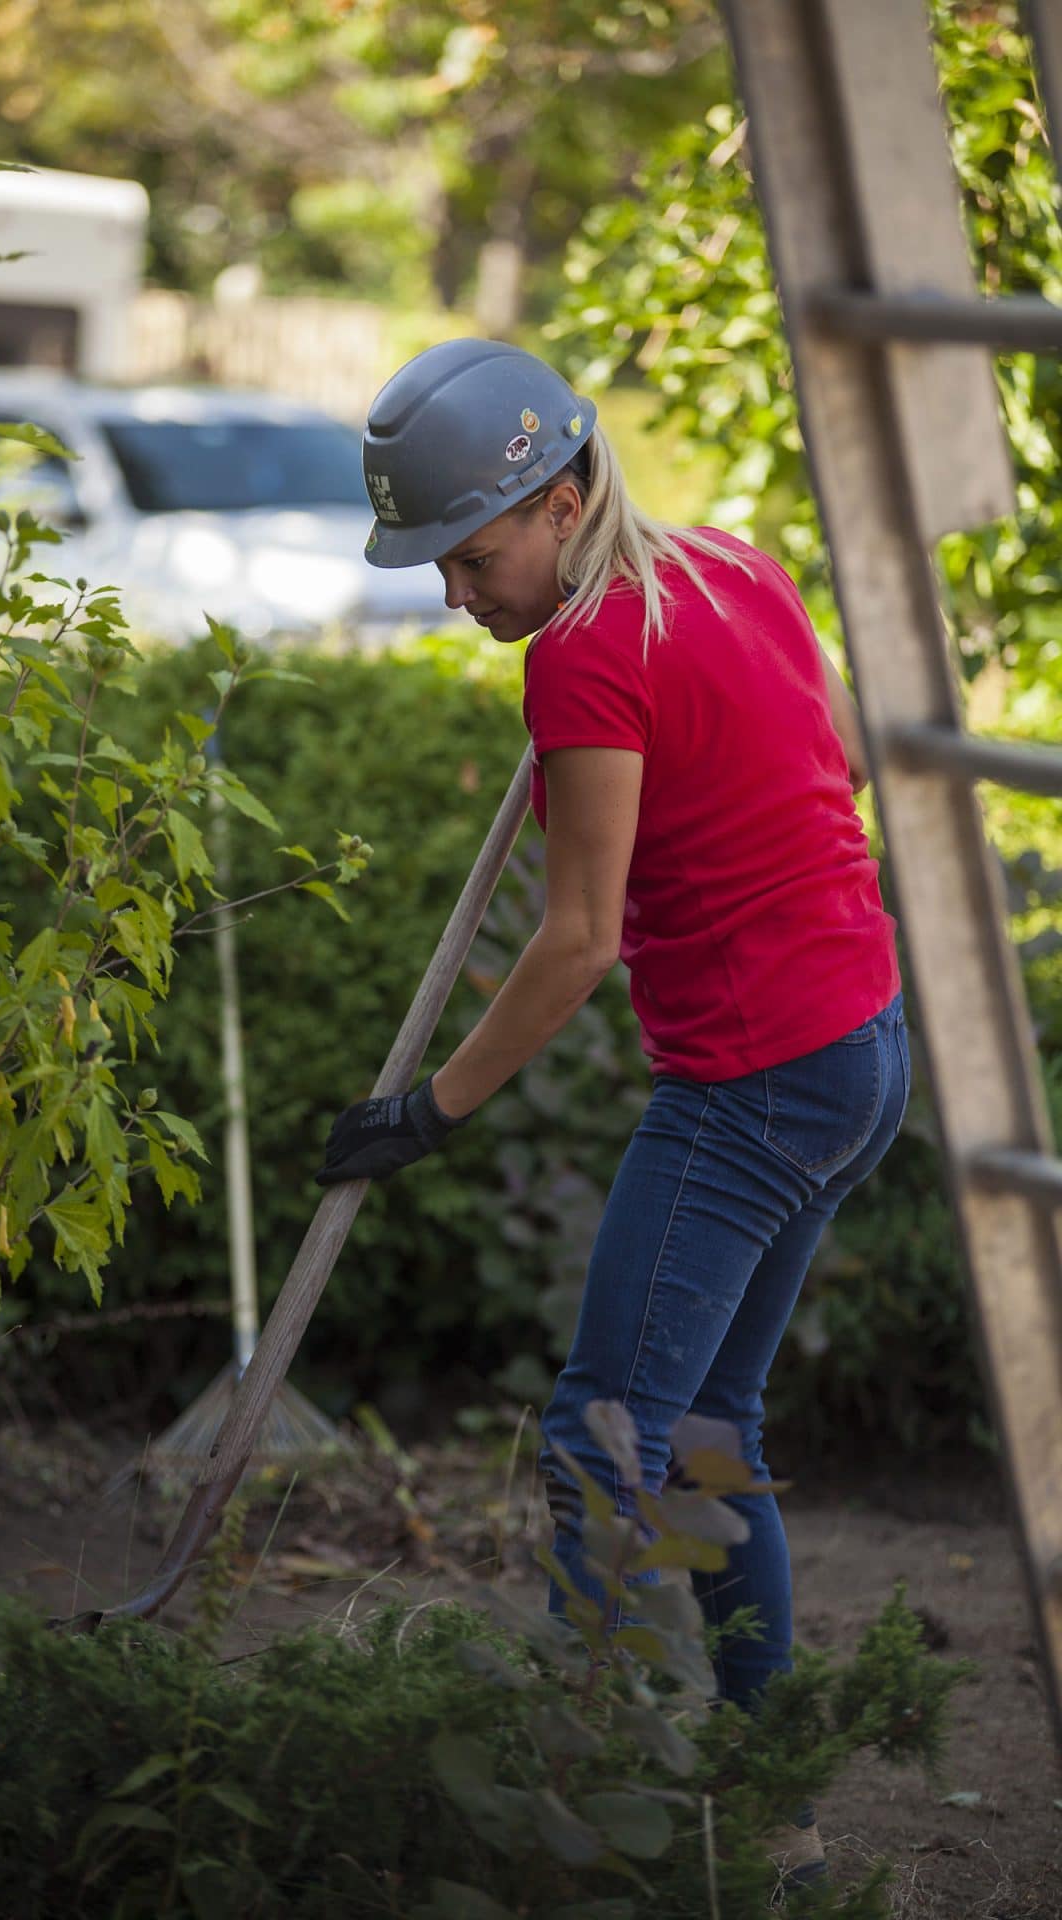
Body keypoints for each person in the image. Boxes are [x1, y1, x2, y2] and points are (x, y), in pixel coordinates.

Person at [316, 338, 910, 1885]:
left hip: (753, 1084)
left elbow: (576, 945)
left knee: (600, 1444)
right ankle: (771, 1807)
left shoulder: (583, 655)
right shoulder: (731, 569)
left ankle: (587, 1812)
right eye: (435, 562)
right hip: (860, 1047)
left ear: (564, 497)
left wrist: (426, 1115)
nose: (456, 591)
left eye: (471, 549)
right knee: (711, 1429)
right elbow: (839, 755)